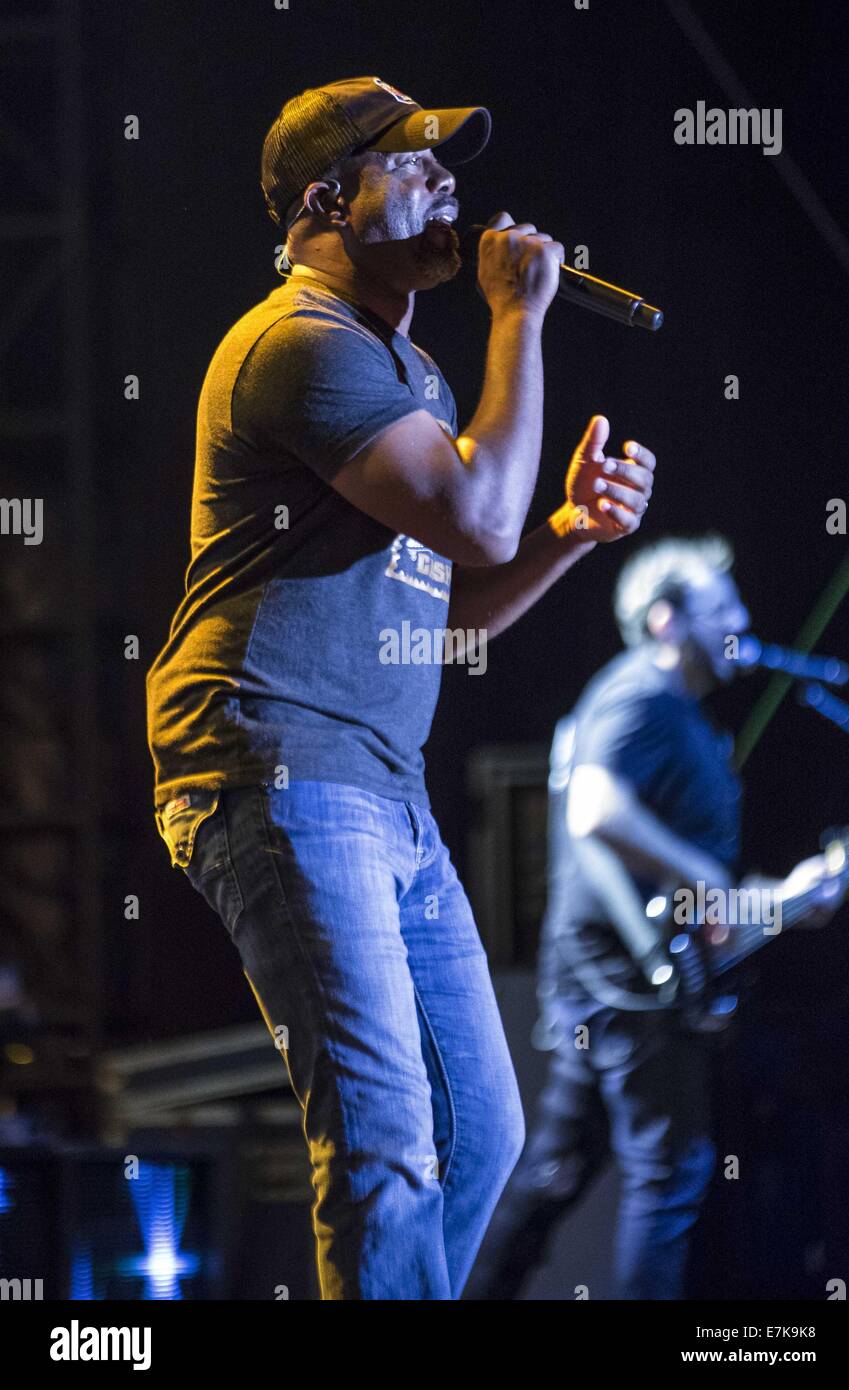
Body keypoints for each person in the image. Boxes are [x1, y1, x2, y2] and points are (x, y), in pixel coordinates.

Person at [145, 76, 656, 1300]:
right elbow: (478, 513)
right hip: (272, 762)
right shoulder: (299, 344)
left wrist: (569, 533)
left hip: (378, 782)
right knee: (384, 1150)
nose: (448, 190)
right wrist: (518, 318)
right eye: (414, 167)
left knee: (480, 1134)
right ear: (328, 199)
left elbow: (452, 603)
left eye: (448, 170)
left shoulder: (405, 373)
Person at [465, 535, 845, 1300]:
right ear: (667, 621)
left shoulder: (680, 716)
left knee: (555, 1174)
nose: (741, 619)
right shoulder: (637, 694)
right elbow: (596, 810)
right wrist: (703, 873)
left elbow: (679, 895)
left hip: (614, 980)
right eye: (721, 606)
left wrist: (785, 901)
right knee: (670, 1172)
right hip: (626, 982)